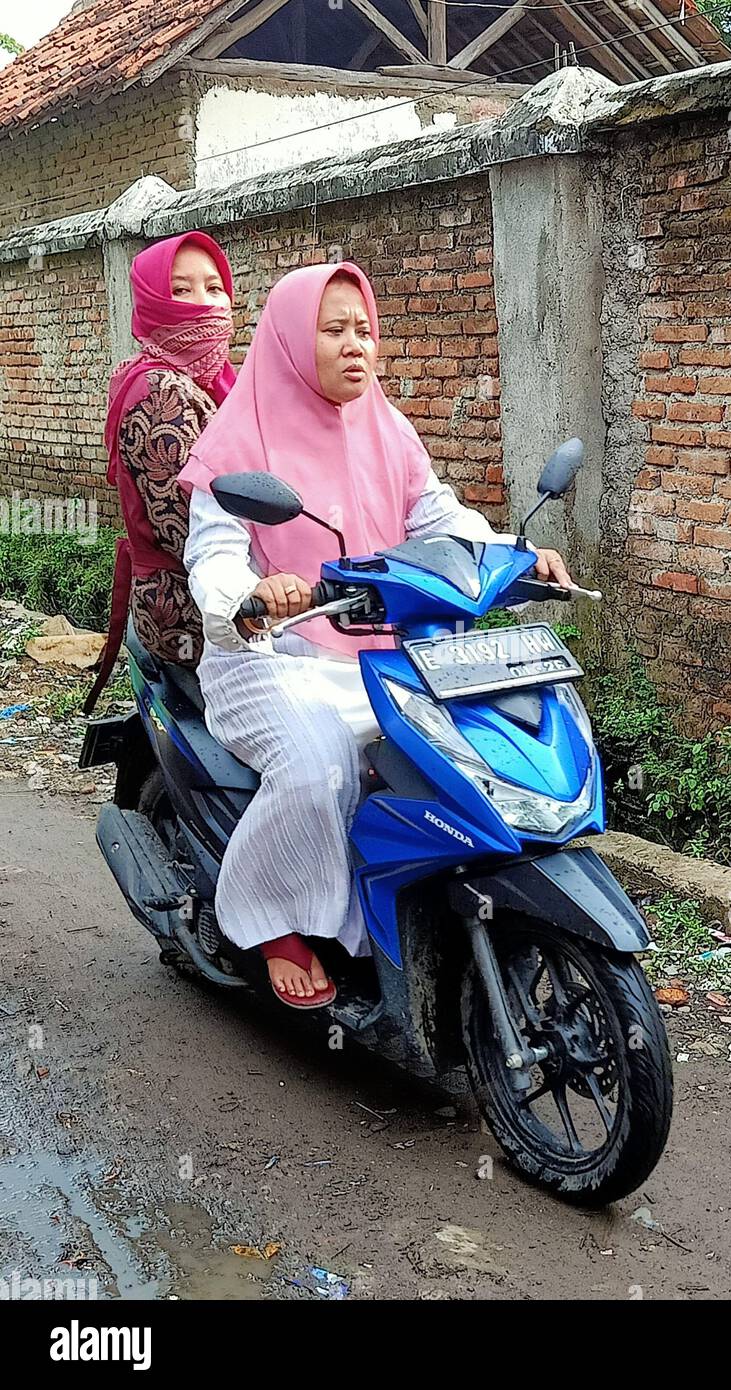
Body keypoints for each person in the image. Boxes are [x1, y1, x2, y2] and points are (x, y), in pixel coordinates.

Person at [178, 261, 573, 1009]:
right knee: (321, 765)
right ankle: (273, 920)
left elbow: (437, 517)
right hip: (272, 655)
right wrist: (252, 596)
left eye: (364, 330)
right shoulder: (243, 437)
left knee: (455, 757)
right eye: (333, 331)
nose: (356, 345)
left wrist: (514, 555)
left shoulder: (385, 424)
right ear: (294, 341)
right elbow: (214, 554)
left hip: (387, 649)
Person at [83, 233, 236, 714]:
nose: (203, 304)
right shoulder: (161, 392)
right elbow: (185, 528)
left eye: (214, 288)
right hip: (191, 607)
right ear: (151, 300)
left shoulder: (206, 379)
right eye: (181, 289)